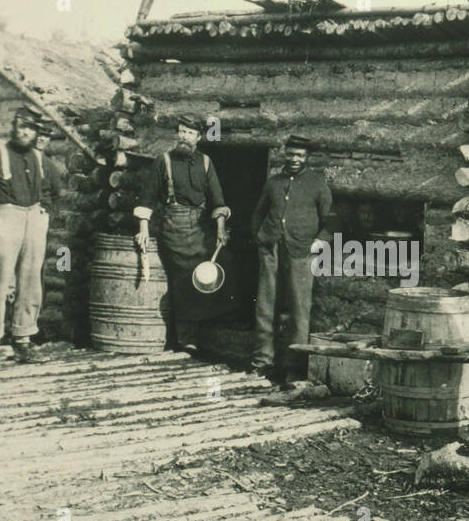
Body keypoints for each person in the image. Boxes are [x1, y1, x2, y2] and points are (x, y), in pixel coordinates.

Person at [0, 105, 57, 369]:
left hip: (34, 220)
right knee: (0, 282)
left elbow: (53, 190)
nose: (23, 131)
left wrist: (45, 212)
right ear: (14, 127)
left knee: (30, 281)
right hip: (6, 218)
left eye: (29, 128)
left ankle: (23, 338)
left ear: (36, 132)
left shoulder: (40, 159)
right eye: (20, 126)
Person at [132, 120, 230, 355]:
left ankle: (198, 334)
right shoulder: (163, 161)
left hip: (200, 230)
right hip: (173, 230)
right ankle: (185, 340)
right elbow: (147, 199)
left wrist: (220, 229)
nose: (184, 137)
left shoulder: (206, 163)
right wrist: (143, 229)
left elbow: (218, 201)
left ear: (198, 137)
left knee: (208, 278)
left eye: (190, 133)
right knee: (183, 280)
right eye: (182, 132)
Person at [250, 135, 332, 387]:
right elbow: (259, 213)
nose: (295, 159)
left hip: (302, 251)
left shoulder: (317, 183)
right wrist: (259, 237)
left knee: (299, 309)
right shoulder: (273, 182)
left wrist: (321, 240)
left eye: (300, 155)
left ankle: (295, 368)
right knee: (266, 306)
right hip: (272, 248)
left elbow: (331, 219)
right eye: (291, 154)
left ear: (306, 158)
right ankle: (262, 363)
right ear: (284, 155)